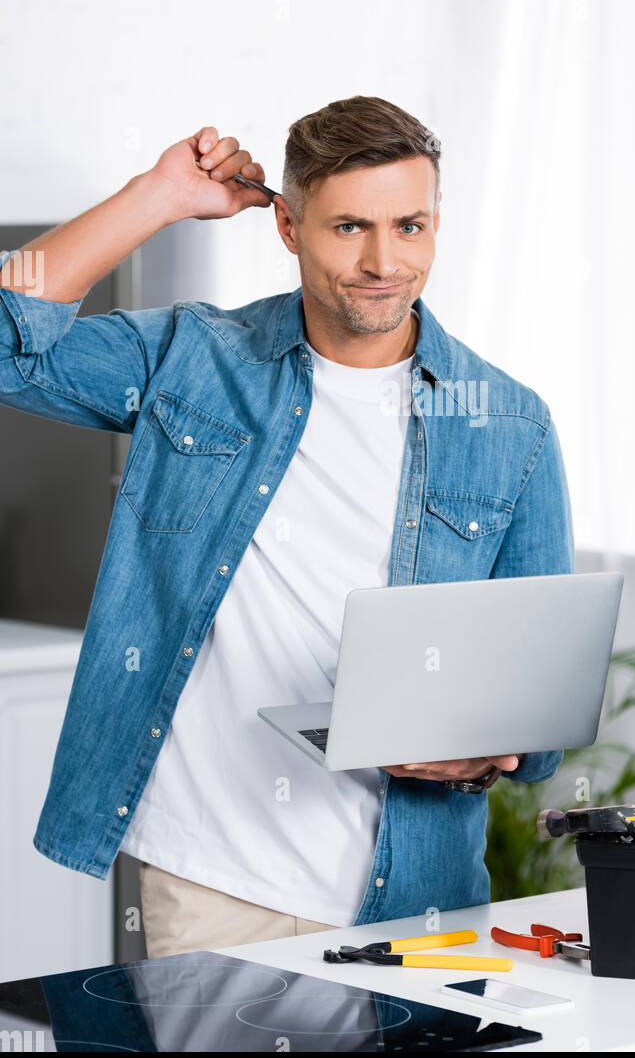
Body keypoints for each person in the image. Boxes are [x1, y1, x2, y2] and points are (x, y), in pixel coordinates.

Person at [0, 95, 574, 957]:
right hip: (215, 877)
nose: (385, 261)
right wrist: (155, 195)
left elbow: (543, 711)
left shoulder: (510, 425)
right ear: (289, 226)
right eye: (348, 228)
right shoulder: (195, 359)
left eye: (410, 225)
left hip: (420, 895)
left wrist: (495, 750)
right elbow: (14, 345)